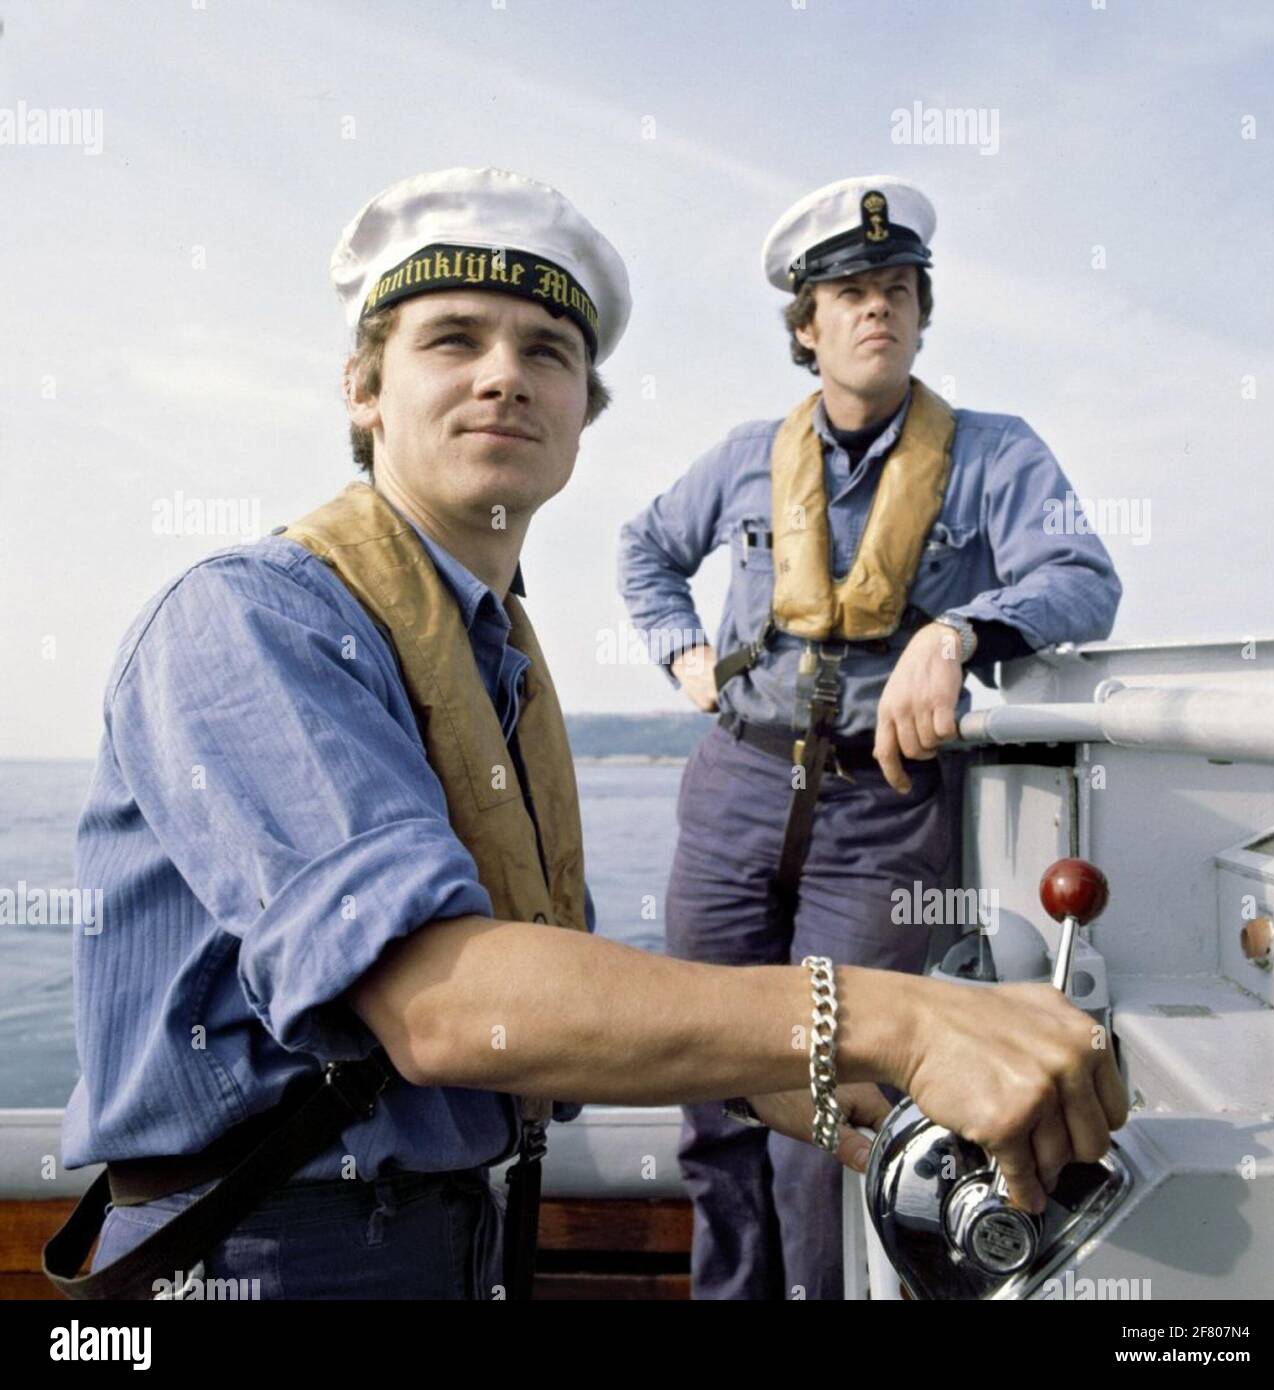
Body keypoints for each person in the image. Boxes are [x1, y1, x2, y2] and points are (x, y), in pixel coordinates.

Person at [47, 168, 1127, 1302]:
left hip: (463, 1232)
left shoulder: (489, 662)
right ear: (363, 391)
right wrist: (895, 1018)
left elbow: (1078, 574)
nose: (505, 376)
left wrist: (784, 1069)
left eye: (548, 352)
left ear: (581, 418)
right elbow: (446, 1007)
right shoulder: (252, 619)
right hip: (265, 1254)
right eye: (453, 341)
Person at [617, 175, 1124, 1299]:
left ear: (921, 313)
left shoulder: (995, 453)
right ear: (806, 327)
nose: (875, 309)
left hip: (881, 809)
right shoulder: (746, 455)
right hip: (734, 789)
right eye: (848, 293)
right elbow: (643, 548)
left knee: (831, 1090)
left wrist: (960, 627)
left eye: (897, 289)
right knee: (707, 1080)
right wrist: (678, 651)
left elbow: (1085, 578)